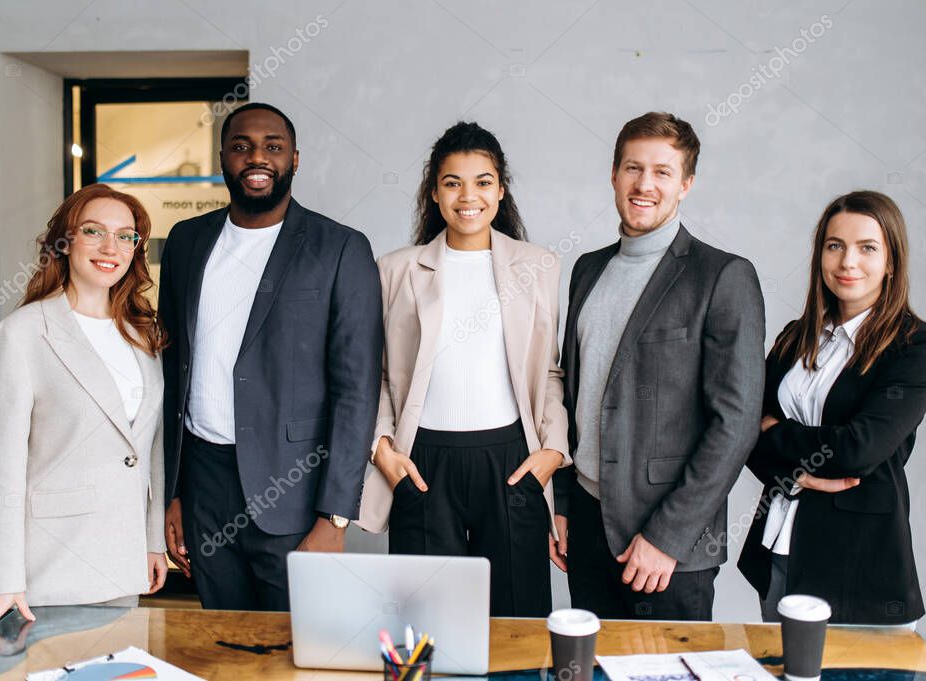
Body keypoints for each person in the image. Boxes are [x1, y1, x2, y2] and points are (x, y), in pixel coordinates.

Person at [158, 102, 383, 611]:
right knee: (224, 643)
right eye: (241, 146)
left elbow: (357, 391)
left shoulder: (340, 248)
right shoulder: (187, 242)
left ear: (295, 159)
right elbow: (173, 370)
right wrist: (174, 493)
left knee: (300, 646)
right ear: (222, 159)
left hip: (294, 493)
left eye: (272, 147)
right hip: (204, 486)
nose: (256, 157)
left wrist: (335, 518)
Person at [551, 112, 765, 621]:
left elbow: (734, 426)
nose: (644, 184)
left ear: (687, 184)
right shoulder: (588, 269)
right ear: (614, 174)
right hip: (586, 523)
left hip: (668, 545)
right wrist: (562, 502)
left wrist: (667, 537)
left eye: (663, 172)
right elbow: (571, 394)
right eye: (633, 168)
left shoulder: (723, 277)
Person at [356, 121, 570, 617]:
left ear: (500, 189)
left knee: (519, 623)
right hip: (424, 463)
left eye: (483, 181)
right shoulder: (396, 268)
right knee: (426, 624)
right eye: (452, 182)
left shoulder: (538, 266)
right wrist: (382, 450)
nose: (467, 195)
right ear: (434, 192)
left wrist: (553, 452)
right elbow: (381, 376)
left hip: (513, 461)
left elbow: (550, 374)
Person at [738, 190, 926, 625]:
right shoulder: (795, 336)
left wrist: (773, 430)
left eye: (867, 247)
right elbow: (741, 432)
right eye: (835, 246)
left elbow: (859, 449)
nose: (847, 261)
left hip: (861, 566)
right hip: (779, 548)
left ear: (891, 261)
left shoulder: (917, 347)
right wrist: (794, 468)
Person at [0, 184, 167, 633]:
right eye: (94, 231)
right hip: (50, 567)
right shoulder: (22, 334)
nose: (111, 248)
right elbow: (4, 466)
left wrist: (152, 539)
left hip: (124, 560)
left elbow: (152, 446)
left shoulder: (143, 334)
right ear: (65, 243)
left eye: (126, 236)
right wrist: (3, 576)